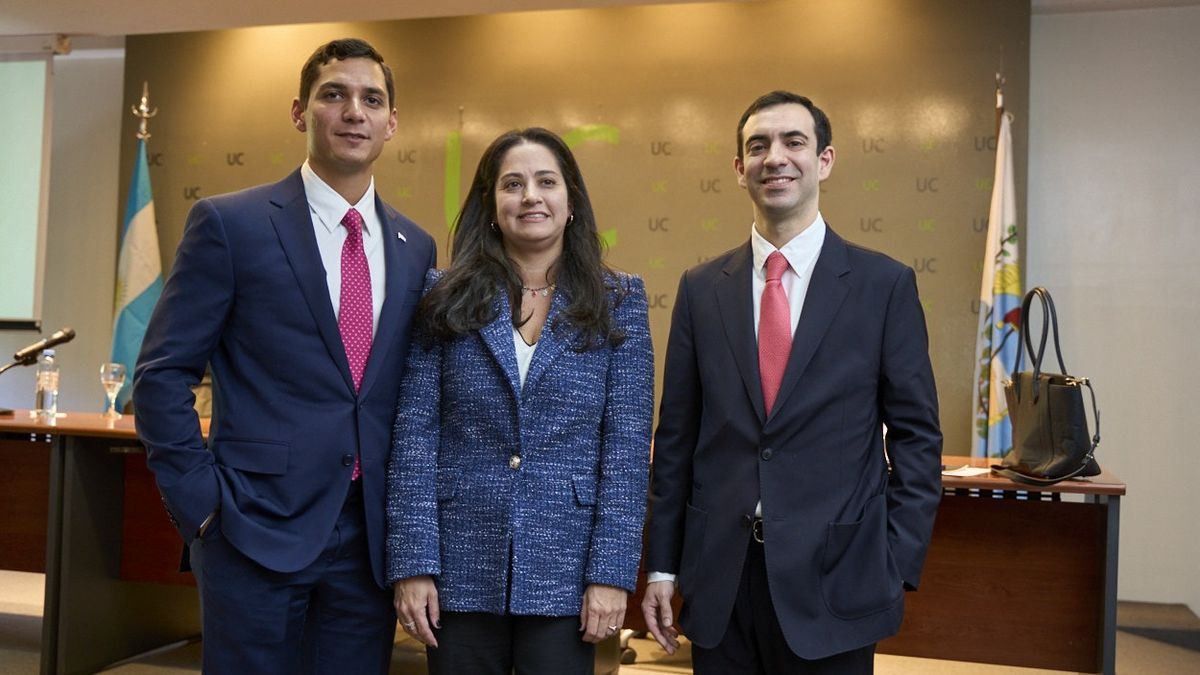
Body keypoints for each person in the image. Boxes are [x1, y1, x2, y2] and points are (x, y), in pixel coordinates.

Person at [133, 38, 436, 674]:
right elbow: (161, 376)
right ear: (301, 112)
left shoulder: (416, 246)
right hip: (251, 529)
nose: (354, 111)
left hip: (370, 543)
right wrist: (204, 508)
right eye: (335, 94)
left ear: (391, 123)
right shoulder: (230, 224)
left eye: (371, 99)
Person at [641, 91, 943, 674]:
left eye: (793, 142)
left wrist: (896, 561)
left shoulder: (884, 285)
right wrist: (662, 567)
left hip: (838, 579)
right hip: (721, 581)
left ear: (824, 160)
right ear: (739, 169)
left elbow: (916, 438)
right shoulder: (702, 289)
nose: (774, 157)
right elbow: (676, 437)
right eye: (758, 146)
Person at [386, 127, 654, 674]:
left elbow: (626, 452)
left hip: (569, 571)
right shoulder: (442, 296)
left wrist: (611, 575)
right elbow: (413, 437)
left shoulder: (619, 300)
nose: (530, 195)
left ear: (571, 200)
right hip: (457, 569)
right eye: (512, 184)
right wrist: (413, 564)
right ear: (490, 206)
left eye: (546, 182)